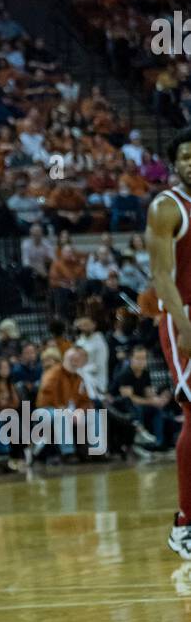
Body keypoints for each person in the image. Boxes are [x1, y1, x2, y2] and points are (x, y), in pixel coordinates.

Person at [145, 128, 191, 559]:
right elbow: (161, 277)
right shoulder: (166, 208)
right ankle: (184, 524)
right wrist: (183, 325)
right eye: (184, 156)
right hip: (183, 316)